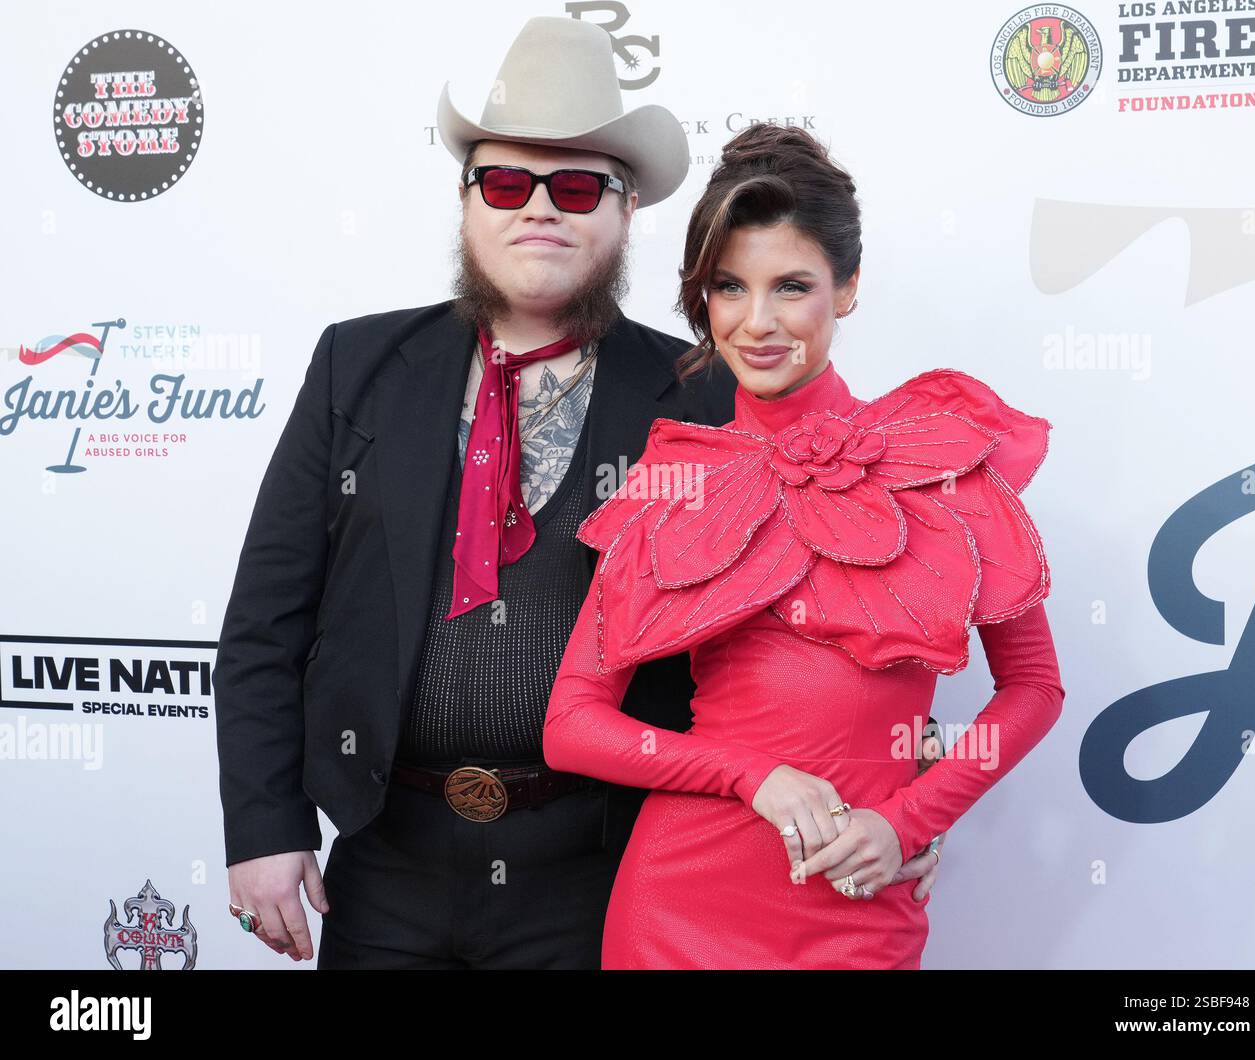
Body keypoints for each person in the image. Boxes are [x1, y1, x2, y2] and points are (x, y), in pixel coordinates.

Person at [213, 16, 951, 970]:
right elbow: (266, 623)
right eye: (507, 182)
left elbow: (843, 615)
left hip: (600, 864)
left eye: (576, 187)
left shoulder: (709, 393)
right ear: (469, 200)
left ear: (626, 209)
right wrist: (263, 825)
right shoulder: (355, 368)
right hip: (385, 856)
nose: (539, 210)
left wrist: (909, 790)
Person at [542, 122, 1066, 969]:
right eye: (727, 289)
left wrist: (910, 821)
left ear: (847, 287)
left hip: (859, 900)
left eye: (791, 286)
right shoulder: (676, 482)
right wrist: (747, 775)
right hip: (678, 906)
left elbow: (1034, 688)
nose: (756, 324)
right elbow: (572, 724)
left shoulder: (940, 458)